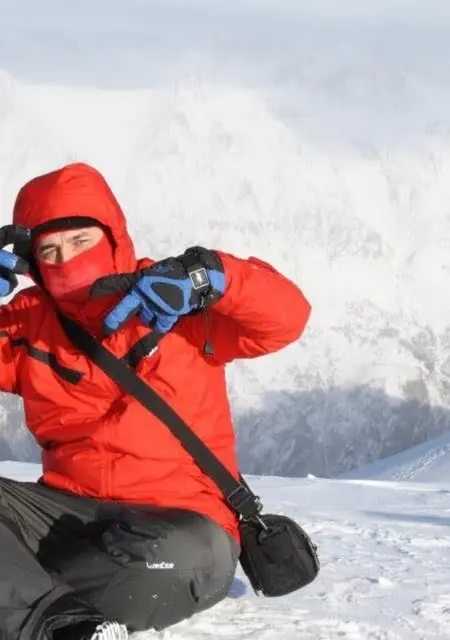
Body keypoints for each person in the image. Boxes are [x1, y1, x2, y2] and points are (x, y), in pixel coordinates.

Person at [0, 162, 311, 640]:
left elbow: (286, 319)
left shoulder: (176, 297)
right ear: (33, 263)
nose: (67, 260)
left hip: (180, 524)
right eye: (50, 250)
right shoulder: (28, 323)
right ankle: (59, 623)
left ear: (113, 236)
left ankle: (24, 591)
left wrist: (212, 276)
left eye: (80, 241)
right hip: (63, 515)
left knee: (178, 560)